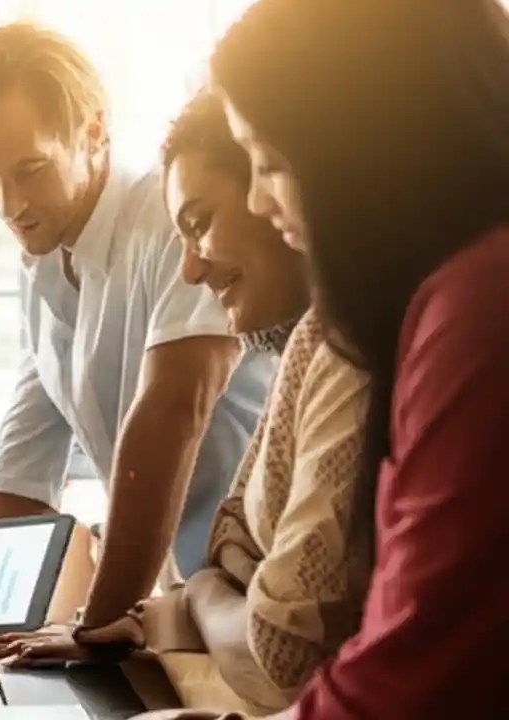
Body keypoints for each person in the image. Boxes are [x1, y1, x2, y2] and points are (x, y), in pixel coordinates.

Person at [133, 1, 509, 718]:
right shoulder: (443, 298)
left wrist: (206, 598)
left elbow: (411, 670)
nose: (262, 200)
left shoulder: (477, 304)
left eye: (270, 163)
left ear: (356, 154)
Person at [0, 91, 373, 716]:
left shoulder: (350, 346)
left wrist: (198, 592)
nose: (191, 269)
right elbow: (231, 539)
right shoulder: (305, 341)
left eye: (199, 224)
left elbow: (281, 650)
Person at [0, 22, 272, 663]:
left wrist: (93, 624)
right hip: (182, 610)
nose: (10, 204)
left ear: (94, 131)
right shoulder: (45, 262)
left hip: (258, 592)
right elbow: (25, 459)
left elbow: (173, 412)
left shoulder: (170, 214)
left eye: (30, 169)